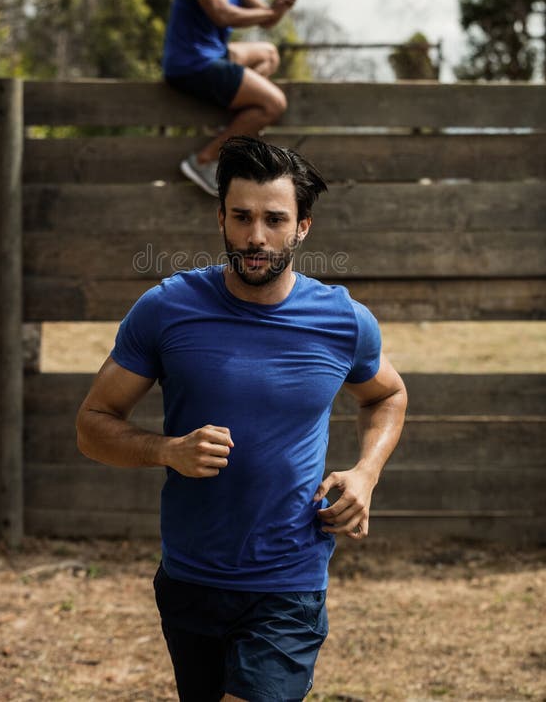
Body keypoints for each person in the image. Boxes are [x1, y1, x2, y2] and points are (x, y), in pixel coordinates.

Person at [76, 136, 407, 702]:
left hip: (289, 579)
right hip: (190, 578)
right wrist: (166, 449)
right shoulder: (166, 309)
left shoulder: (344, 321)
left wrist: (366, 473)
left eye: (275, 219)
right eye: (242, 217)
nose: (256, 236)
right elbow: (93, 423)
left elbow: (387, 395)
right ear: (221, 217)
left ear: (303, 226)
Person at [163, 0, 300, 196]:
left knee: (269, 55)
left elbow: (267, 20)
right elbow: (222, 13)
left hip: (212, 55)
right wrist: (270, 12)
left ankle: (239, 119)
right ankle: (204, 160)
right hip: (192, 63)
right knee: (273, 105)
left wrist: (280, 8)